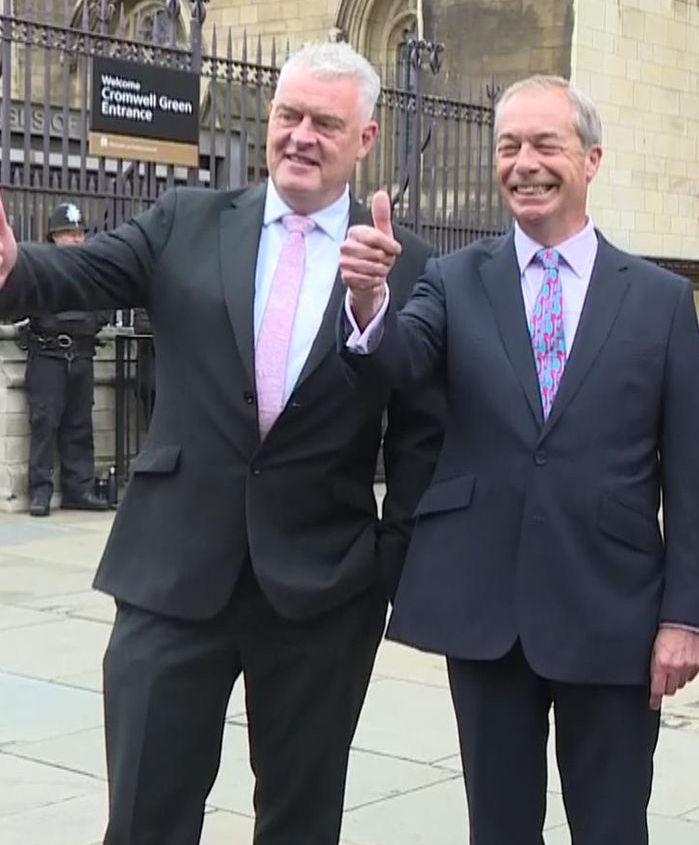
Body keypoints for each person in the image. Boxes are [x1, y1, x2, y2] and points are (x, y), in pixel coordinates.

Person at [0, 42, 442, 845]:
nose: (301, 136)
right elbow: (83, 275)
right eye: (288, 115)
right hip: (173, 573)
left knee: (301, 824)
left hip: (321, 589)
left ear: (366, 139)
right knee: (144, 817)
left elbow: (422, 431)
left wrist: (389, 564)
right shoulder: (188, 222)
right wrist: (10, 270)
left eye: (326, 123)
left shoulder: (409, 266)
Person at [338, 74, 699, 845]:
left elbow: (691, 472)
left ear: (592, 158)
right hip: (487, 609)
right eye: (508, 146)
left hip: (611, 611)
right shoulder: (452, 279)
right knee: (499, 828)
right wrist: (371, 305)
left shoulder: (658, 299)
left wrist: (685, 617)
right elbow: (403, 362)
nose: (524, 163)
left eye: (546, 144)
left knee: (612, 826)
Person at [23, 201, 113, 515]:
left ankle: (79, 488)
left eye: (79, 233)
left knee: (79, 425)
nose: (76, 239)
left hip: (82, 354)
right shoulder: (41, 268)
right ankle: (40, 492)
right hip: (49, 354)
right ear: (54, 237)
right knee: (45, 423)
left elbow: (104, 308)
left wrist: (83, 324)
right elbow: (32, 308)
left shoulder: (91, 271)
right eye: (68, 233)